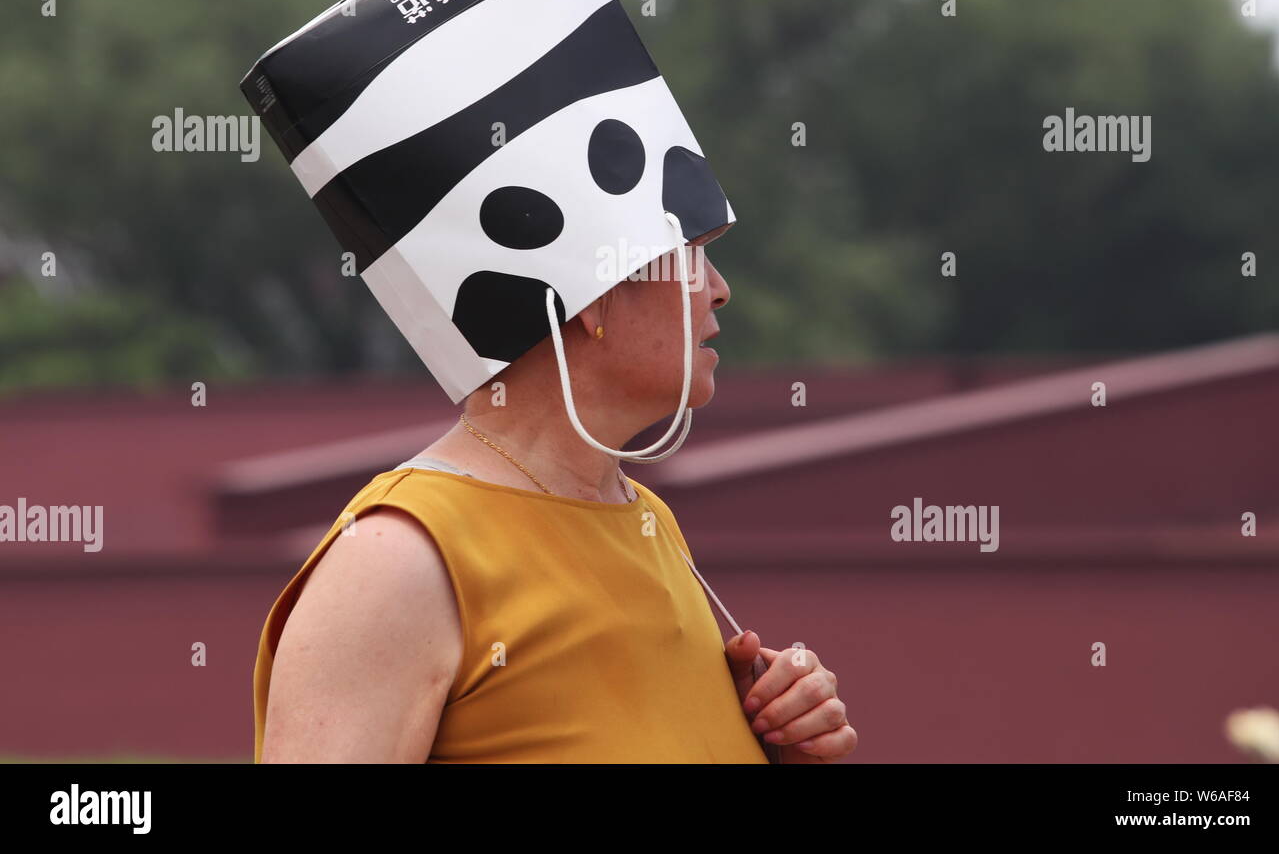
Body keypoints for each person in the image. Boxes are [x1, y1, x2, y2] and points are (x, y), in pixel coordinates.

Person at [253, 232, 855, 763]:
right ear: (594, 297)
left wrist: (779, 750)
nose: (719, 290)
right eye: (692, 255)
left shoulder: (647, 519)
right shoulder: (397, 555)